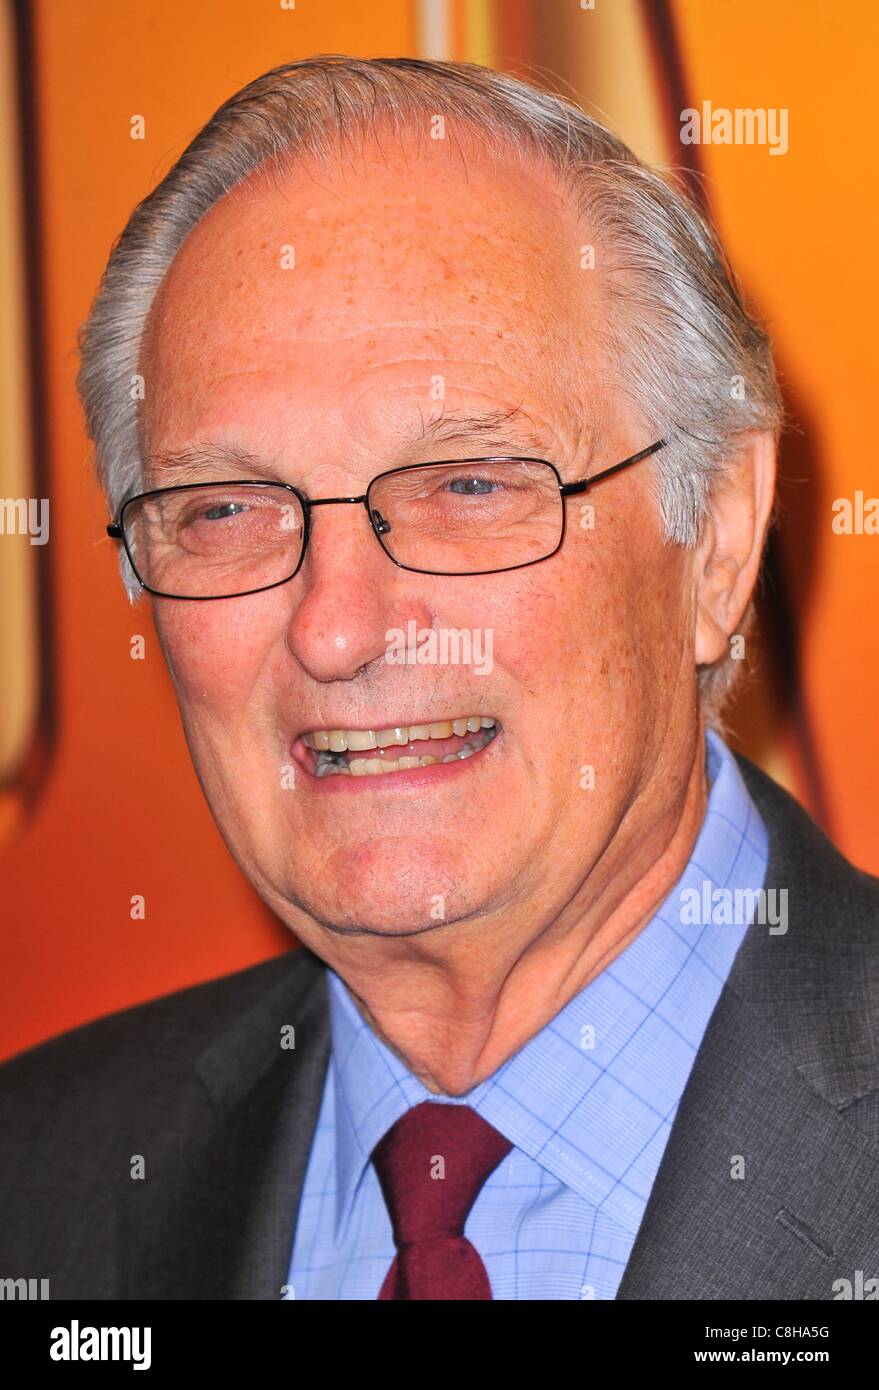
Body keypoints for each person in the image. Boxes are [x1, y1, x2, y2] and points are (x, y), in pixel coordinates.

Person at [1, 55, 877, 1301]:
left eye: (468, 484)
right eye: (227, 507)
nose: (340, 629)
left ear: (719, 538)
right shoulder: (41, 1187)